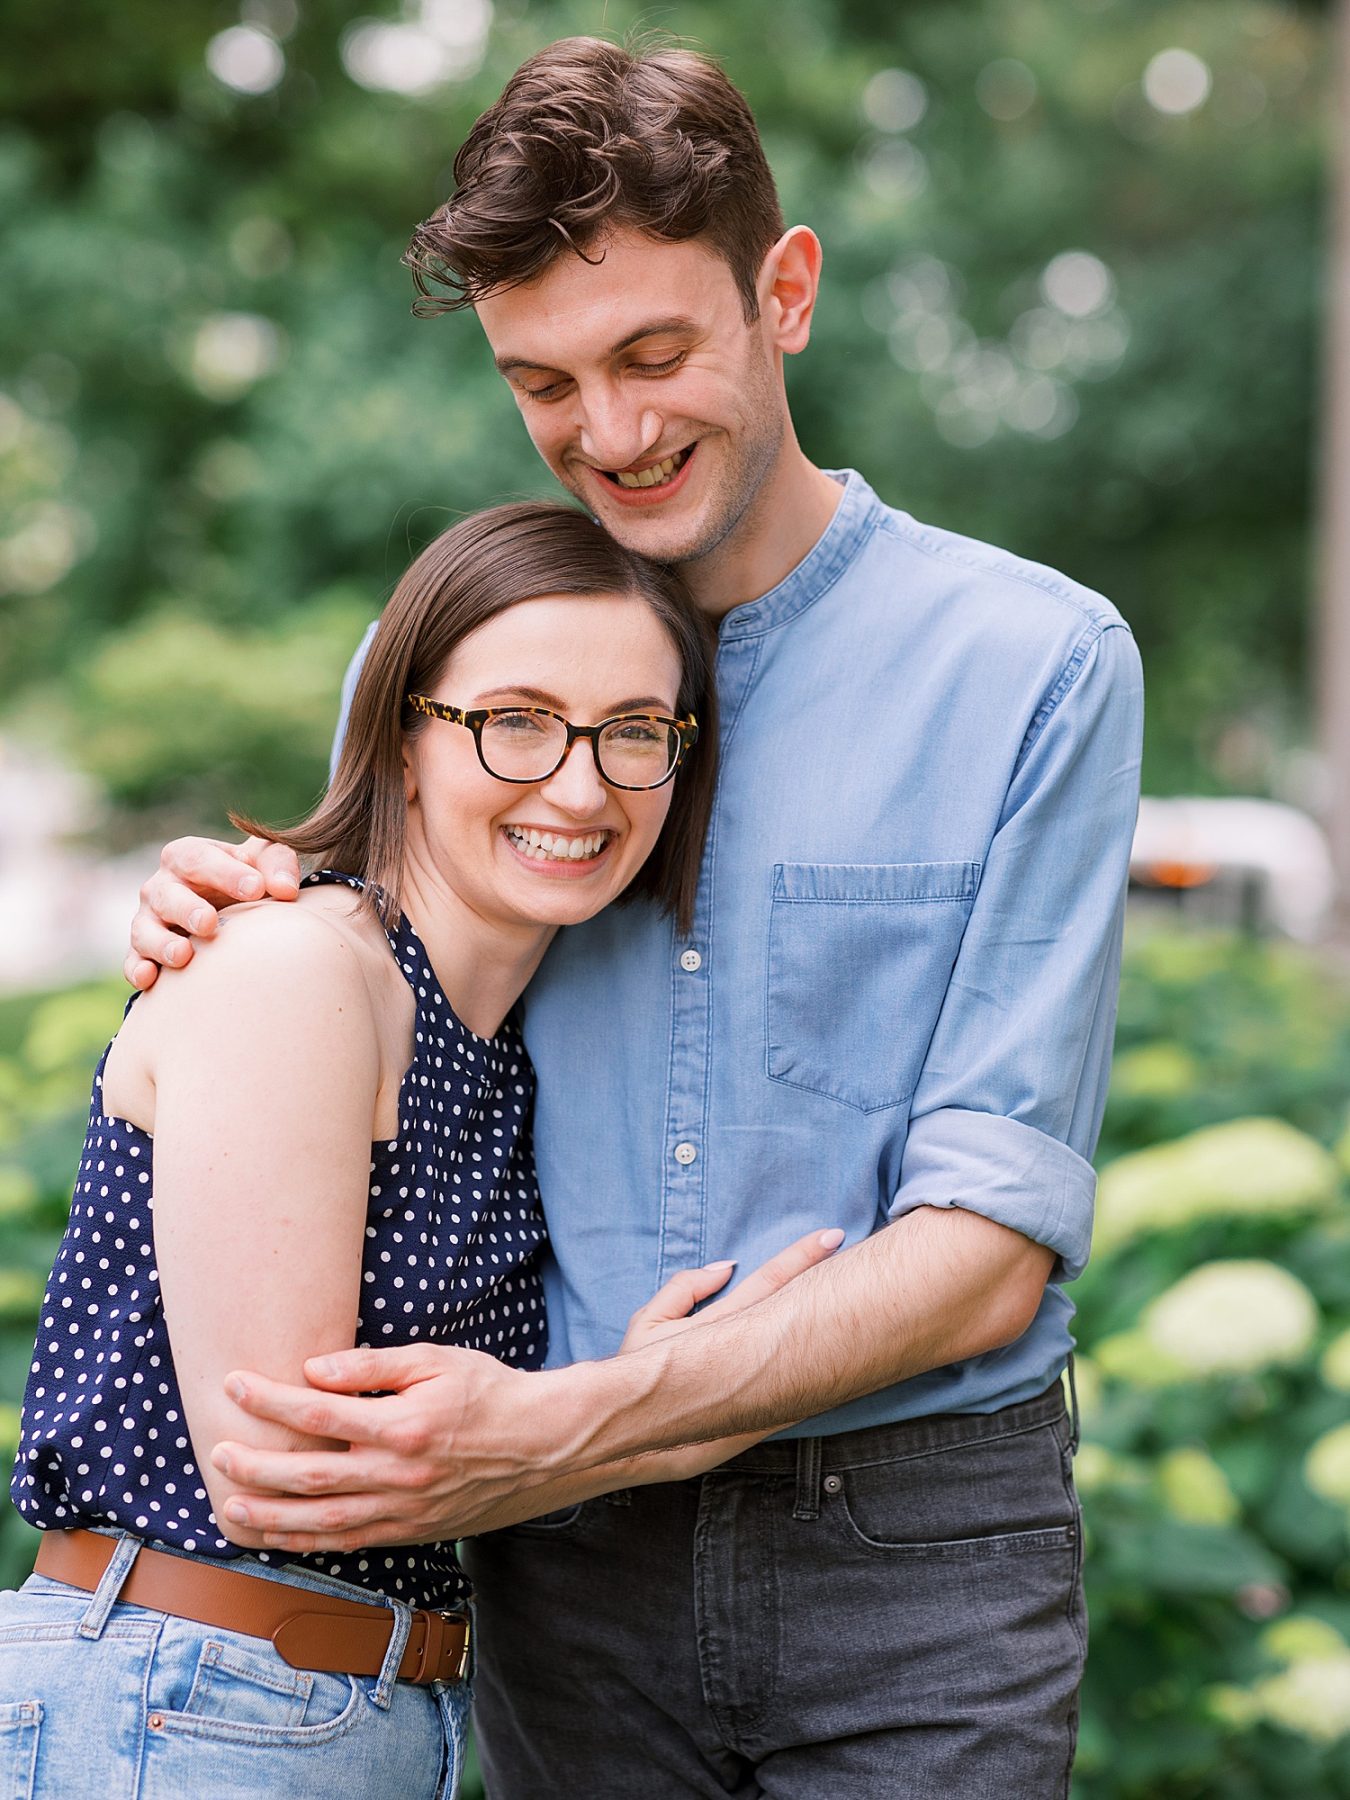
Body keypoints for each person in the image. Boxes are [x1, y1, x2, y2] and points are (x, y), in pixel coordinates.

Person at [127, 37, 1144, 1798]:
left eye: (656, 354)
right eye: (543, 383)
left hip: (910, 1549)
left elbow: (987, 1246)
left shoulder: (1033, 667)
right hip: (548, 1569)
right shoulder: (441, 669)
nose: (611, 434)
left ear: (787, 293)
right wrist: (229, 923)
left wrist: (554, 1432)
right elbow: (366, 1010)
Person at [4, 500, 839, 1796]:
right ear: (402, 732)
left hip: (344, 1714)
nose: (578, 784)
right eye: (515, 720)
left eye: (632, 733)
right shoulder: (297, 966)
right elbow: (276, 1482)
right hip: (185, 1698)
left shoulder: (505, 1036)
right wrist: (665, 1417)